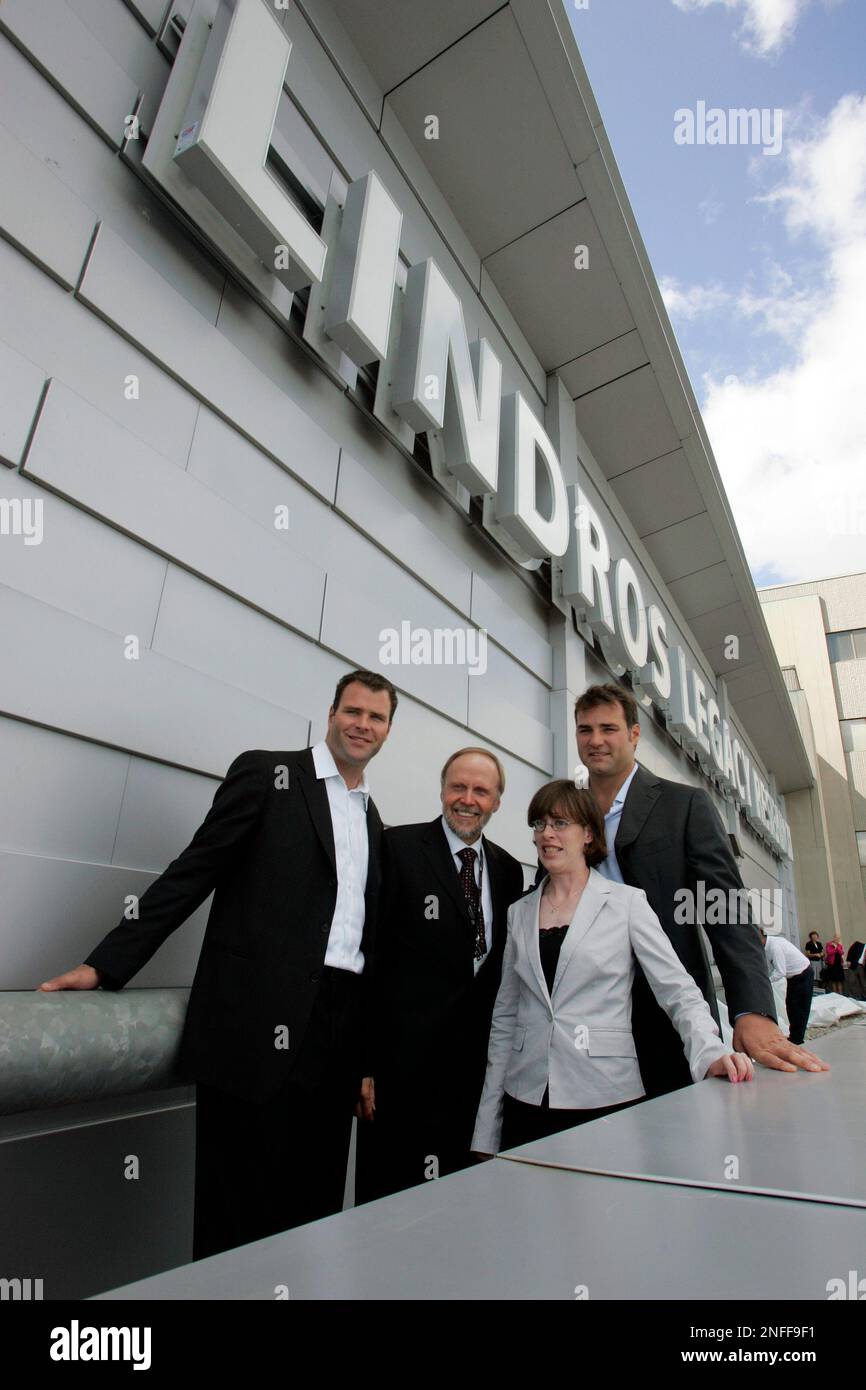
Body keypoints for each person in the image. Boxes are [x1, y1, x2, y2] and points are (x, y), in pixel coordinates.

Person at [39, 670, 396, 1259]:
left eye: (376, 717)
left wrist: (363, 1058)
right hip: (254, 1027)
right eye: (353, 712)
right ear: (330, 713)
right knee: (237, 1214)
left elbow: (365, 942)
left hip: (334, 1036)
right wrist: (106, 965)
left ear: (387, 731)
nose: (362, 725)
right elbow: (194, 869)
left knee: (314, 1208)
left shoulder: (371, 816)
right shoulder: (268, 774)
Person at [569, 683, 828, 1095]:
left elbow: (724, 909)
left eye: (608, 728)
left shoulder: (683, 805)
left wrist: (752, 1010)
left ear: (634, 734)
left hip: (668, 1010)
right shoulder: (565, 811)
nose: (595, 740)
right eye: (585, 730)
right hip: (584, 1012)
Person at [472, 781, 752, 1155]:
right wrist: (486, 1129)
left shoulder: (627, 903)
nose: (546, 834)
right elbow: (505, 1016)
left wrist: (710, 1051)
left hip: (604, 1095)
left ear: (588, 833)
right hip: (526, 1098)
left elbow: (677, 990)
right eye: (539, 824)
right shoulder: (518, 912)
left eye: (559, 823)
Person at [356, 748, 524, 1200]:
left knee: (460, 1208)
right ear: (443, 790)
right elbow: (367, 955)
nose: (467, 799)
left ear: (497, 801)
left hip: (473, 1082)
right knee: (388, 1206)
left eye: (481, 791)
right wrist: (363, 1063)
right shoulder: (397, 848)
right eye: (458, 787)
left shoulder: (509, 871)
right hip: (399, 1079)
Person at [759, 930, 814, 1046]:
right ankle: (794, 1036)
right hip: (794, 976)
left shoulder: (774, 947)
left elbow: (780, 971)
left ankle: (797, 1039)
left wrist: (765, 982)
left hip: (802, 973)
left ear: (760, 934)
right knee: (791, 1005)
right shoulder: (769, 945)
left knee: (799, 1007)